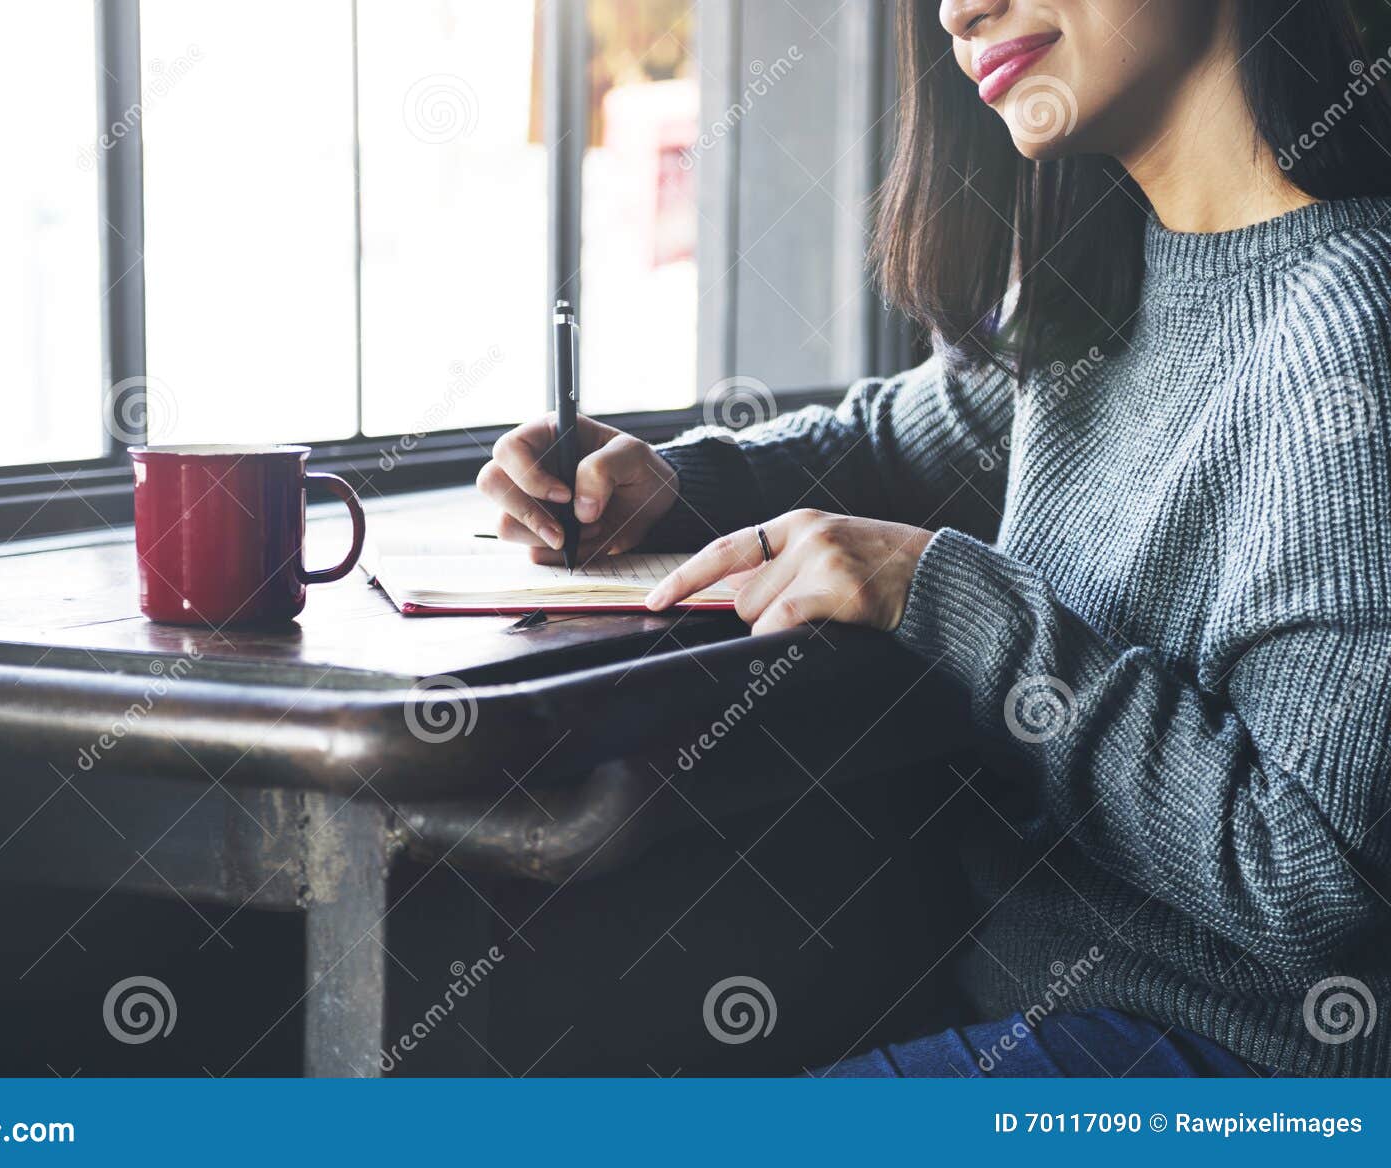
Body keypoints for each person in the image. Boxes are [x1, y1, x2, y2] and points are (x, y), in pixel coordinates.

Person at [478, 0, 1391, 1076]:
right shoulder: (1103, 275)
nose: (960, 10)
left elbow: (1313, 881)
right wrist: (664, 483)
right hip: (1030, 1014)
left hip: (1241, 1070)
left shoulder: (1351, 319)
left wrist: (947, 598)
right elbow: (890, 441)